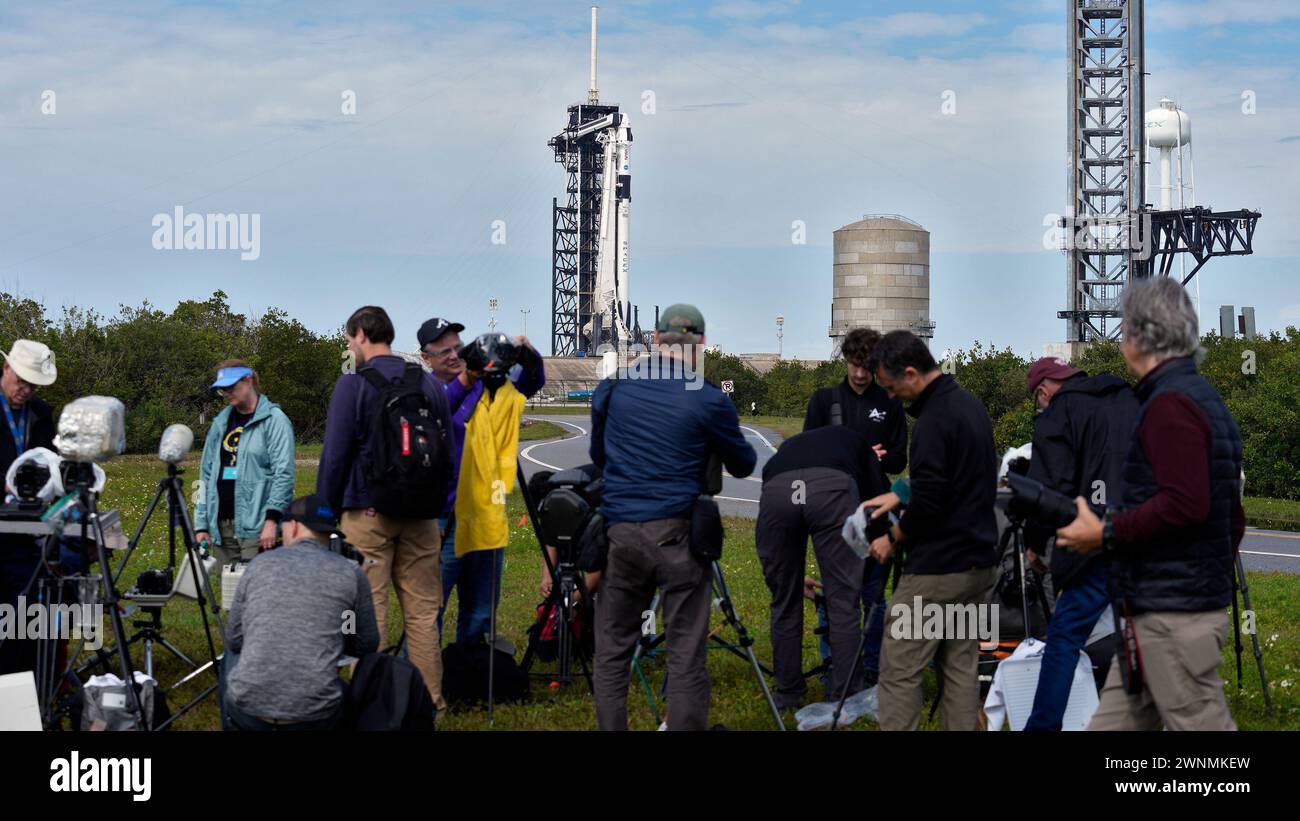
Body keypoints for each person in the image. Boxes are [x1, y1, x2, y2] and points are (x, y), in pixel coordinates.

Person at [1057, 278, 1243, 731]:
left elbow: (1184, 504)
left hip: (1172, 617)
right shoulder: (1202, 398)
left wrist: (1103, 533)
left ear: (1140, 335)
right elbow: (1229, 516)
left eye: (1123, 327)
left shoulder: (1169, 406)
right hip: (1161, 609)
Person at [590, 304, 756, 730]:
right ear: (701, 342)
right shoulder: (708, 398)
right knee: (685, 650)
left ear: (657, 339)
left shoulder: (614, 389)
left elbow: (598, 457)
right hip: (678, 532)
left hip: (622, 531)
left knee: (611, 649)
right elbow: (742, 463)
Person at [318, 306, 454, 711]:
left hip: (368, 513)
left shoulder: (353, 384)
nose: (350, 347)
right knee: (422, 614)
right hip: (422, 516)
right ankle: (430, 703)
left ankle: (370, 704)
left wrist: (326, 514)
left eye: (349, 340)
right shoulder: (427, 384)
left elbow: (336, 456)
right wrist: (434, 504)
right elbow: (445, 452)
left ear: (361, 334)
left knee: (368, 615)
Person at [862, 330, 998, 731]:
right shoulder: (970, 407)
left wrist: (893, 538)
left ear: (910, 372)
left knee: (900, 667)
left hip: (938, 569)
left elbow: (931, 502)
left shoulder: (932, 422)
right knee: (960, 670)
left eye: (891, 387)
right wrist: (903, 492)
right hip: (978, 566)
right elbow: (960, 479)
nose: (891, 398)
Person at [1021, 356, 1138, 731]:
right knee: (1143, 636)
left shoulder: (1060, 412)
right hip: (1141, 534)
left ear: (1043, 391)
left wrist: (1034, 543)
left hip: (1089, 541)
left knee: (1065, 637)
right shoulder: (1130, 397)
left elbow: (1047, 489)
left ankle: (1043, 726)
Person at [417, 316, 546, 645]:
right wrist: (466, 377)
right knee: (430, 608)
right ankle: (420, 682)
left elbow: (531, 381)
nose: (452, 355)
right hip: (443, 517)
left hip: (485, 513)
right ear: (425, 357)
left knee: (481, 610)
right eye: (442, 350)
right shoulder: (425, 389)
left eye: (457, 348)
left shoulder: (488, 387)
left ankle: (469, 673)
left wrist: (526, 355)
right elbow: (438, 412)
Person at [221, 494, 379, 731]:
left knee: (230, 657)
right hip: (317, 715)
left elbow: (234, 639)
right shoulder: (351, 572)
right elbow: (366, 645)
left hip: (248, 713)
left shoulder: (258, 565)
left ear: (293, 527)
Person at [756, 423, 887, 707]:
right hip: (831, 487)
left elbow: (768, 482)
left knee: (784, 601)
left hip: (778, 488)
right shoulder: (860, 445)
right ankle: (845, 694)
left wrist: (789, 576)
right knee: (842, 602)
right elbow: (878, 503)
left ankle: (787, 691)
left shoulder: (792, 446)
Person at [804, 327, 906, 688]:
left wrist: (880, 457)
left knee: (873, 598)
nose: (860, 375)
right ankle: (832, 665)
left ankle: (873, 669)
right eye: (854, 366)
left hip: (877, 511)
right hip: (834, 512)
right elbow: (807, 453)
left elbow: (899, 458)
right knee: (834, 594)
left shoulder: (890, 402)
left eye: (867, 367)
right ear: (845, 361)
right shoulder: (825, 401)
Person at [193, 360, 296, 568]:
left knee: (257, 592)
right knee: (229, 592)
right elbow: (205, 475)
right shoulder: (220, 424)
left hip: (257, 525)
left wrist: (271, 520)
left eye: (231, 387)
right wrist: (201, 524)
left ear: (248, 380)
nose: (226, 393)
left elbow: (283, 474)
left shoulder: (274, 420)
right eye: (222, 389)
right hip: (222, 527)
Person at [0, 340, 58, 676]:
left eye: (32, 385)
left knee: (26, 611)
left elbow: (49, 462)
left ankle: (28, 682)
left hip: (27, 529)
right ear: (6, 368)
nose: (26, 390)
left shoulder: (41, 413)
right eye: (21, 381)